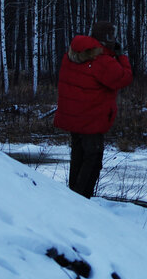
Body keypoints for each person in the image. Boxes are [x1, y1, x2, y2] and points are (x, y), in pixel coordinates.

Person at [53, 21, 133, 198]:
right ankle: (82, 201)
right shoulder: (102, 60)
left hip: (74, 118)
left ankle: (73, 197)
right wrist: (121, 57)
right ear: (108, 39)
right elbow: (124, 78)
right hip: (92, 119)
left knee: (78, 158)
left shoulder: (72, 55)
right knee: (93, 161)